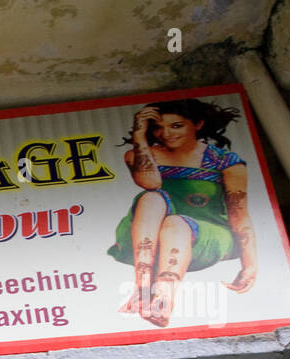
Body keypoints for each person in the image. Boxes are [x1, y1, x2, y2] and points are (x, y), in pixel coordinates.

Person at [108, 98, 257, 327]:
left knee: (177, 223)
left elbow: (239, 213)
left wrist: (249, 264)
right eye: (157, 127)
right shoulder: (141, 154)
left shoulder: (224, 161)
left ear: (197, 124)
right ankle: (143, 286)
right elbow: (151, 182)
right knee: (151, 197)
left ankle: (165, 296)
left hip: (205, 234)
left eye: (176, 125)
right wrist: (139, 136)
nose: (165, 133)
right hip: (147, 236)